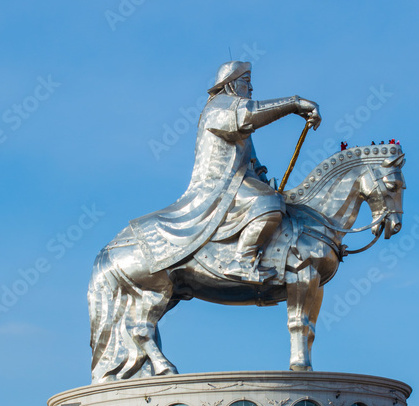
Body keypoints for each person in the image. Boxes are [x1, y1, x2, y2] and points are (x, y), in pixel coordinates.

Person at [130, 61, 321, 285]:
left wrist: (262, 177)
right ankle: (242, 262)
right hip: (220, 184)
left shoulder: (235, 117)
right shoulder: (218, 108)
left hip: (239, 180)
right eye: (246, 81)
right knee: (269, 204)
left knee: (274, 199)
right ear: (230, 85)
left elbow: (252, 160)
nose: (251, 88)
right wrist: (295, 103)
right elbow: (250, 114)